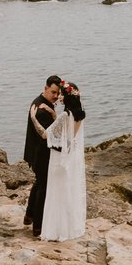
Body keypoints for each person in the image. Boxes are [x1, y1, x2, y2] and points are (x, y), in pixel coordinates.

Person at [41, 80, 87, 241]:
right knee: (68, 190)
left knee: (57, 192)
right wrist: (55, 116)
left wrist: (34, 117)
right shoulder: (79, 115)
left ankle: (56, 230)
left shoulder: (64, 116)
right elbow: (69, 135)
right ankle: (69, 227)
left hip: (59, 159)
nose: (59, 96)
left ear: (66, 96)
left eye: (61, 93)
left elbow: (47, 135)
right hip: (72, 157)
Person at [24, 75, 62, 237]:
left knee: (39, 183)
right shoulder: (41, 111)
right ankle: (38, 226)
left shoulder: (42, 103)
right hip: (41, 154)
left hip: (35, 152)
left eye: (57, 93)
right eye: (53, 92)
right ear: (45, 88)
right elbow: (49, 136)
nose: (55, 96)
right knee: (43, 188)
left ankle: (29, 215)